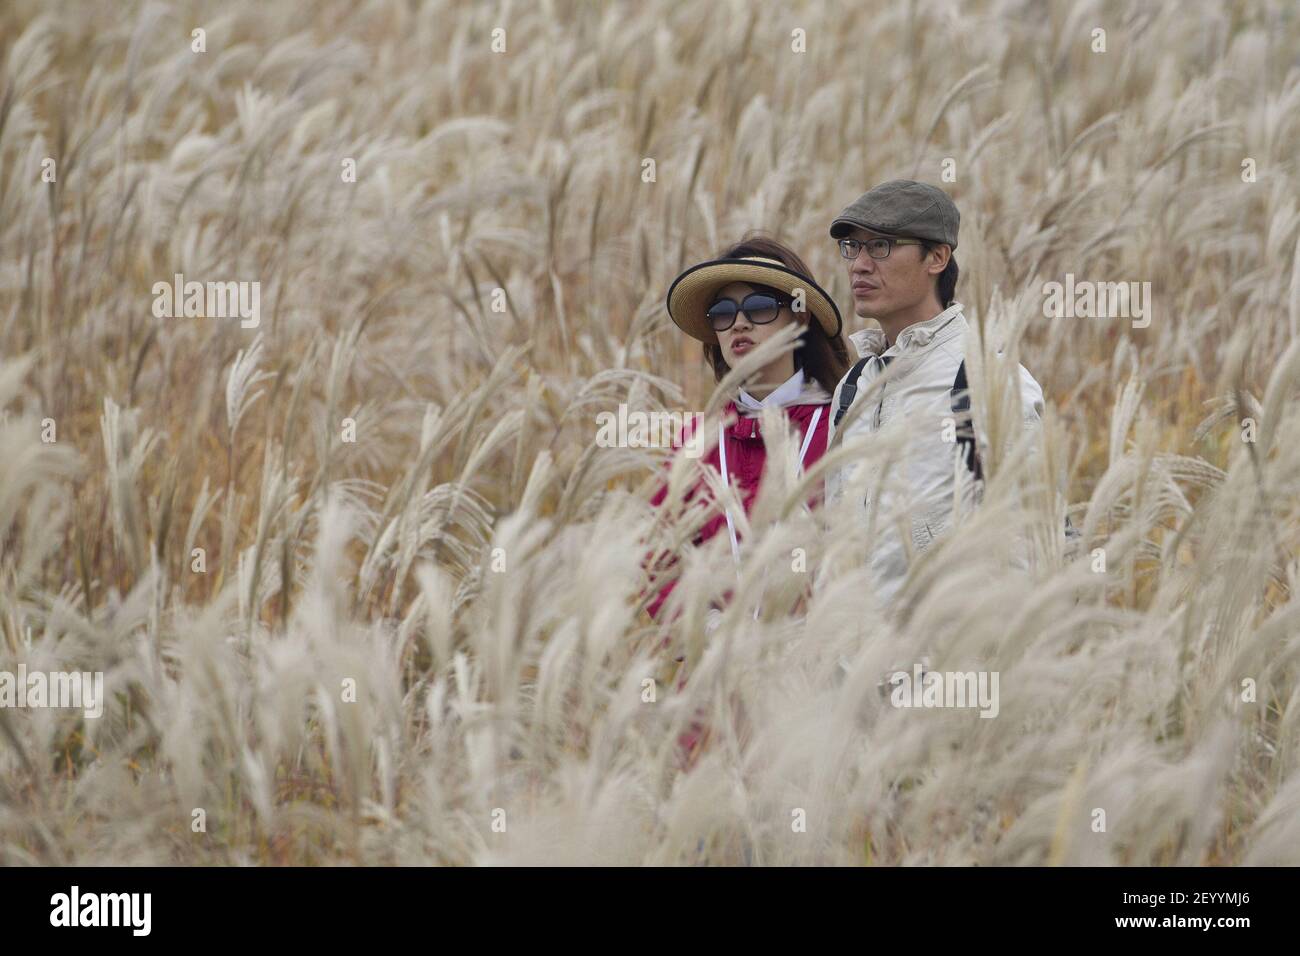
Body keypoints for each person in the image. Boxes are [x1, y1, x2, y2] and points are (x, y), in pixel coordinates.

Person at [825, 180, 1047, 603]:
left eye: (882, 246)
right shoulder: (853, 387)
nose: (860, 265)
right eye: (853, 247)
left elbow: (1028, 545)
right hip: (853, 664)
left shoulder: (989, 379)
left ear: (937, 258)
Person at [643, 234, 851, 624]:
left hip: (824, 672)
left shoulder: (844, 425)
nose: (739, 322)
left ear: (800, 315)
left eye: (758, 307)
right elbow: (658, 560)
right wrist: (706, 629)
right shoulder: (696, 441)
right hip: (720, 675)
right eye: (723, 312)